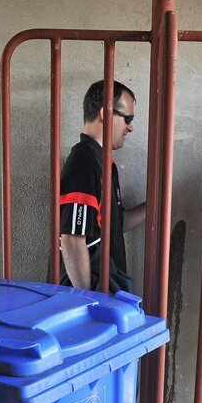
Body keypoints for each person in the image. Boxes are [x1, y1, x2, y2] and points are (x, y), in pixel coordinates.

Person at [59, 80, 146, 293]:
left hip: (101, 291)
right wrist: (90, 301)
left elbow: (116, 224)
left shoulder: (103, 162)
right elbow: (72, 239)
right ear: (105, 114)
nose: (130, 127)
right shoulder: (84, 163)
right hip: (83, 302)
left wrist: (154, 205)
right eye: (128, 118)